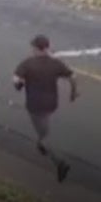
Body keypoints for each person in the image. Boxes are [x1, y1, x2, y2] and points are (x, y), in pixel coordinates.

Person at [13, 34, 78, 182]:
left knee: (43, 137)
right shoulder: (56, 64)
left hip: (35, 105)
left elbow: (16, 81)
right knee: (45, 126)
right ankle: (42, 147)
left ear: (36, 48)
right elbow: (72, 77)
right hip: (51, 103)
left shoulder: (28, 64)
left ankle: (60, 163)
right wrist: (73, 93)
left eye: (33, 48)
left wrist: (20, 85)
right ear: (47, 47)